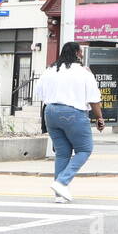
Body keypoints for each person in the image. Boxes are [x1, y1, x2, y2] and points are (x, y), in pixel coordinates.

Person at [37, 41, 104, 203]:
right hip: (73, 112)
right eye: (80, 52)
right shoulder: (84, 72)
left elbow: (39, 93)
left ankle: (59, 195)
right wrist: (99, 117)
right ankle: (62, 182)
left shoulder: (50, 70)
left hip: (51, 111)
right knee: (84, 149)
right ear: (76, 53)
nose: (82, 54)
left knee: (62, 153)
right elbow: (93, 98)